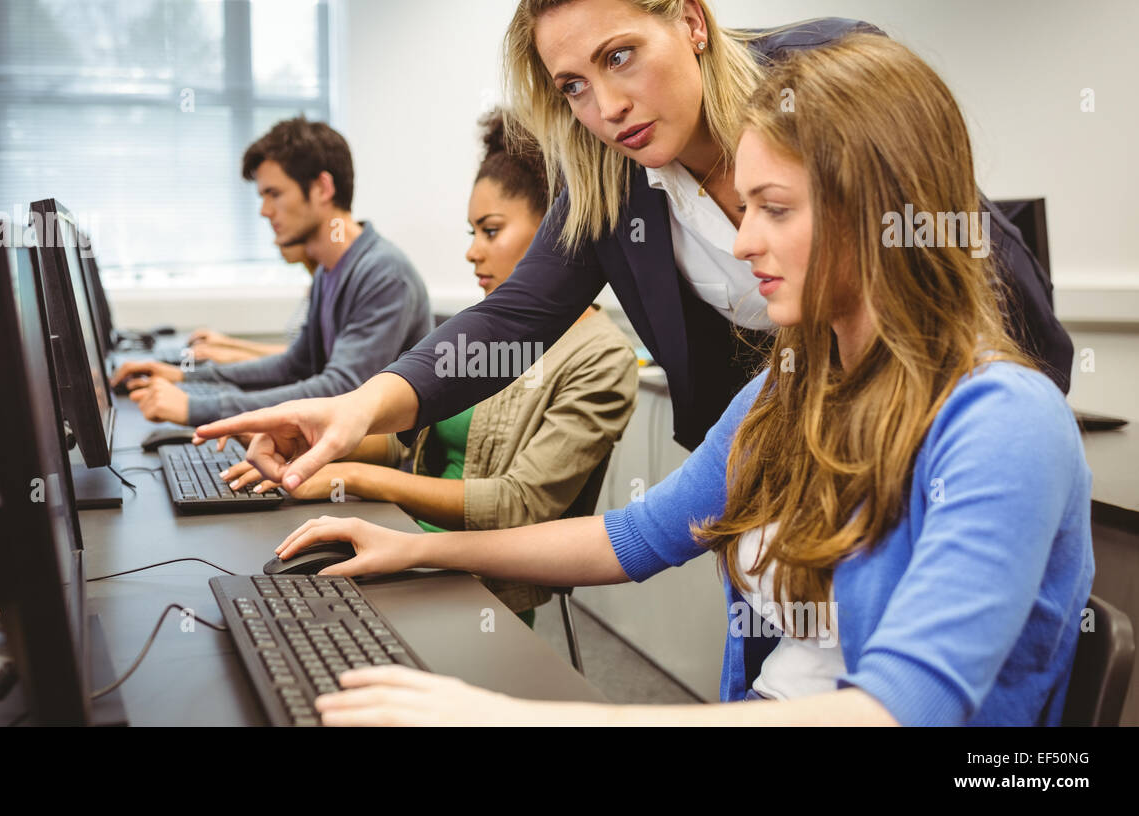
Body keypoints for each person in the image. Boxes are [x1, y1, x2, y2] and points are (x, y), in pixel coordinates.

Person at [260, 35, 1094, 726]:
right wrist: (411, 549)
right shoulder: (794, 386)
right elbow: (633, 538)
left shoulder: (1003, 420)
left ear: (873, 210)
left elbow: (898, 710)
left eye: (775, 208)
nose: (738, 243)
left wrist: (521, 717)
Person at [192, 0, 1073, 498]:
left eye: (622, 56)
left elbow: (971, 271)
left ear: (689, 21)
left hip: (911, 437)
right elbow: (514, 318)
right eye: (574, 84)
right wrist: (361, 408)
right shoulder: (610, 178)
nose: (606, 107)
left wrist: (1008, 435)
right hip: (766, 453)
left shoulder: (822, 82)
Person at [223, 111, 639, 627]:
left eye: (491, 231)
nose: (471, 251)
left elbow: (518, 505)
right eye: (472, 232)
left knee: (293, 625)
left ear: (557, 236)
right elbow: (402, 442)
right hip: (398, 537)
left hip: (475, 582)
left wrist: (350, 475)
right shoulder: (483, 331)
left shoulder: (600, 357)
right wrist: (312, 450)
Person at [111, 116, 432, 426]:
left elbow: (341, 390)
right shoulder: (329, 270)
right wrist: (184, 375)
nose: (264, 211)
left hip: (390, 461)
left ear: (322, 188)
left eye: (274, 194)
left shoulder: (384, 274)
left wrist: (199, 407)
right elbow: (295, 365)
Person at [187, 243, 317, 364]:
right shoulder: (315, 283)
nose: (276, 242)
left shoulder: (329, 286)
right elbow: (294, 353)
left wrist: (235, 355)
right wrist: (226, 343)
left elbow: (305, 363)